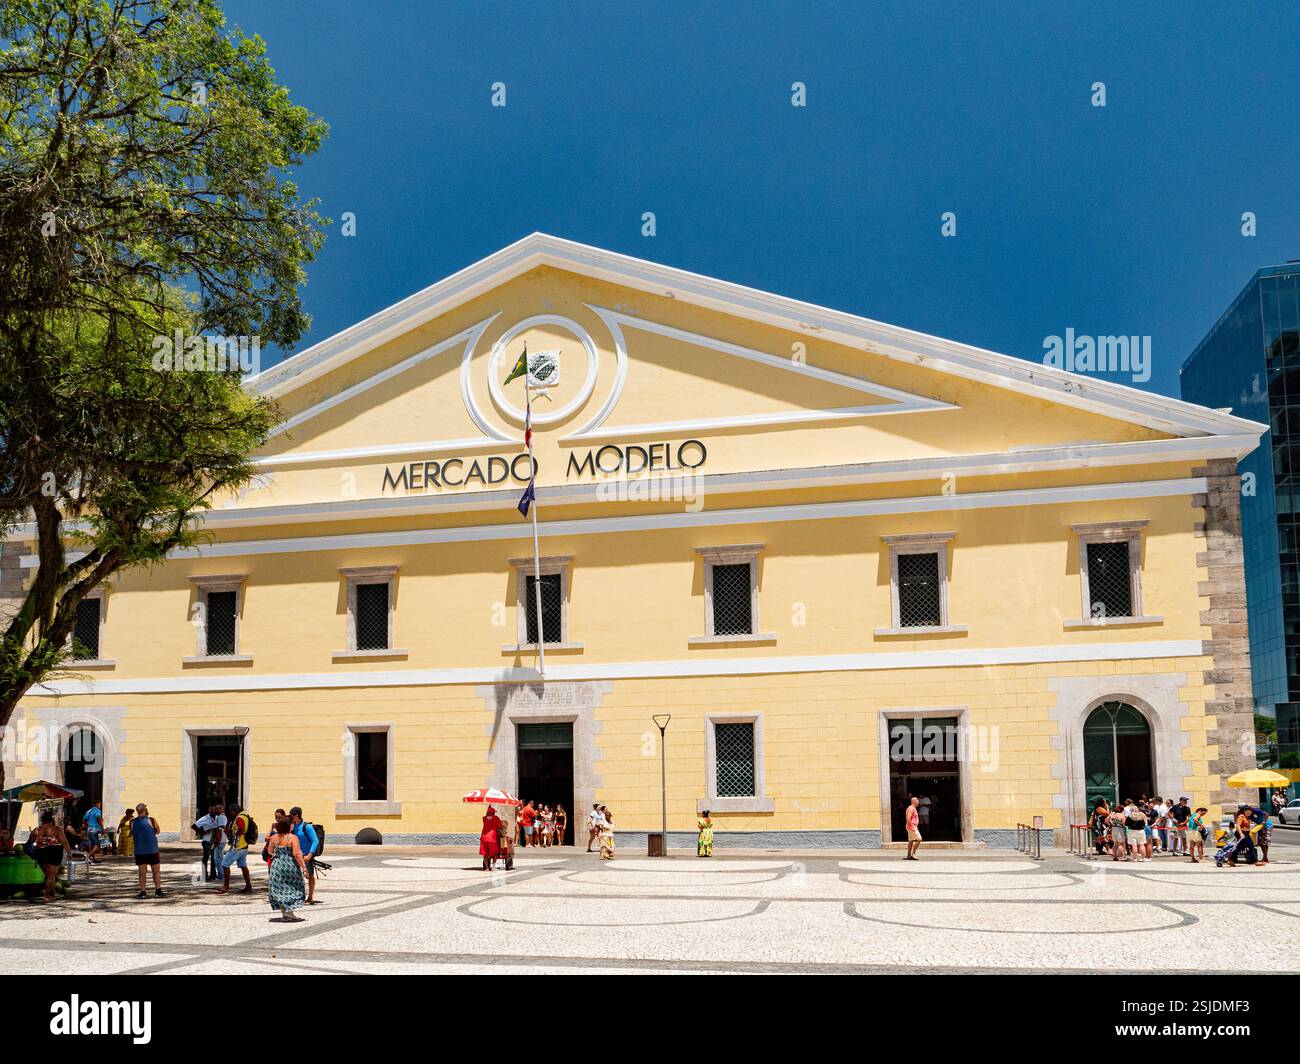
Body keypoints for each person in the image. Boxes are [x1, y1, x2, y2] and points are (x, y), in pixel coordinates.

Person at [265, 816, 308, 922]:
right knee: (293, 888)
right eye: (292, 823)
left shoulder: (274, 837)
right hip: (290, 866)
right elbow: (297, 854)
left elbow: (270, 851)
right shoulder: (293, 837)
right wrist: (304, 868)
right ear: (289, 825)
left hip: (277, 866)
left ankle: (286, 913)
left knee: (280, 890)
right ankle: (288, 913)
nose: (293, 825)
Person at [30, 810, 71, 902]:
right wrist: (69, 852)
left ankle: (53, 893)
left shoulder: (36, 830)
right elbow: (64, 842)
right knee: (51, 875)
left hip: (40, 853)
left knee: (48, 875)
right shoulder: (57, 830)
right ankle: (47, 895)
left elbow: (31, 842)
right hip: (54, 852)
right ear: (52, 820)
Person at [217, 802, 254, 895]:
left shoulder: (240, 818)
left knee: (225, 864)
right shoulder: (245, 815)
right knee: (243, 865)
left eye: (231, 811)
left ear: (234, 810)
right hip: (243, 845)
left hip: (238, 846)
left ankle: (226, 886)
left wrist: (233, 833)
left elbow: (241, 829)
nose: (231, 813)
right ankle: (248, 886)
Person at [131, 802, 166, 899]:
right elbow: (158, 831)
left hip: (139, 851)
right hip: (152, 850)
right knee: (156, 872)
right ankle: (158, 890)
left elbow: (133, 833)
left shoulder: (132, 822)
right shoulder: (151, 820)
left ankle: (143, 892)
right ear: (145, 810)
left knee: (142, 872)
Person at [290, 808, 320, 904]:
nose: (290, 818)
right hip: (296, 855)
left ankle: (310, 896)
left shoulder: (307, 827)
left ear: (297, 815)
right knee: (295, 876)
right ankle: (297, 895)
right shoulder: (292, 826)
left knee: (309, 875)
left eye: (291, 816)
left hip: (306, 856)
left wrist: (310, 855)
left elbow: (315, 841)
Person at [192, 803, 226, 882]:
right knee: (206, 858)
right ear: (209, 810)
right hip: (207, 841)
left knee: (214, 858)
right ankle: (204, 874)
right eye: (211, 809)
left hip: (214, 841)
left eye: (214, 809)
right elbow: (194, 826)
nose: (213, 811)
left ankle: (213, 874)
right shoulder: (204, 818)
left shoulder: (218, 817)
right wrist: (202, 832)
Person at [479, 805, 503, 871]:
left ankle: (487, 868)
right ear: (494, 813)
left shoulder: (484, 818)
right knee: (495, 853)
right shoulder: (496, 818)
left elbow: (487, 818)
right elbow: (500, 828)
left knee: (485, 854)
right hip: (492, 838)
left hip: (484, 838)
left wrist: (488, 808)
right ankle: (493, 867)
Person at [904, 795, 922, 860]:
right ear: (914, 801)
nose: (918, 802)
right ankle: (913, 853)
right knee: (919, 839)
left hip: (911, 826)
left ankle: (909, 855)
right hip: (912, 827)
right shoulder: (911, 808)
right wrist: (912, 826)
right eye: (917, 801)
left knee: (911, 841)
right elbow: (908, 817)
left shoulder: (911, 808)